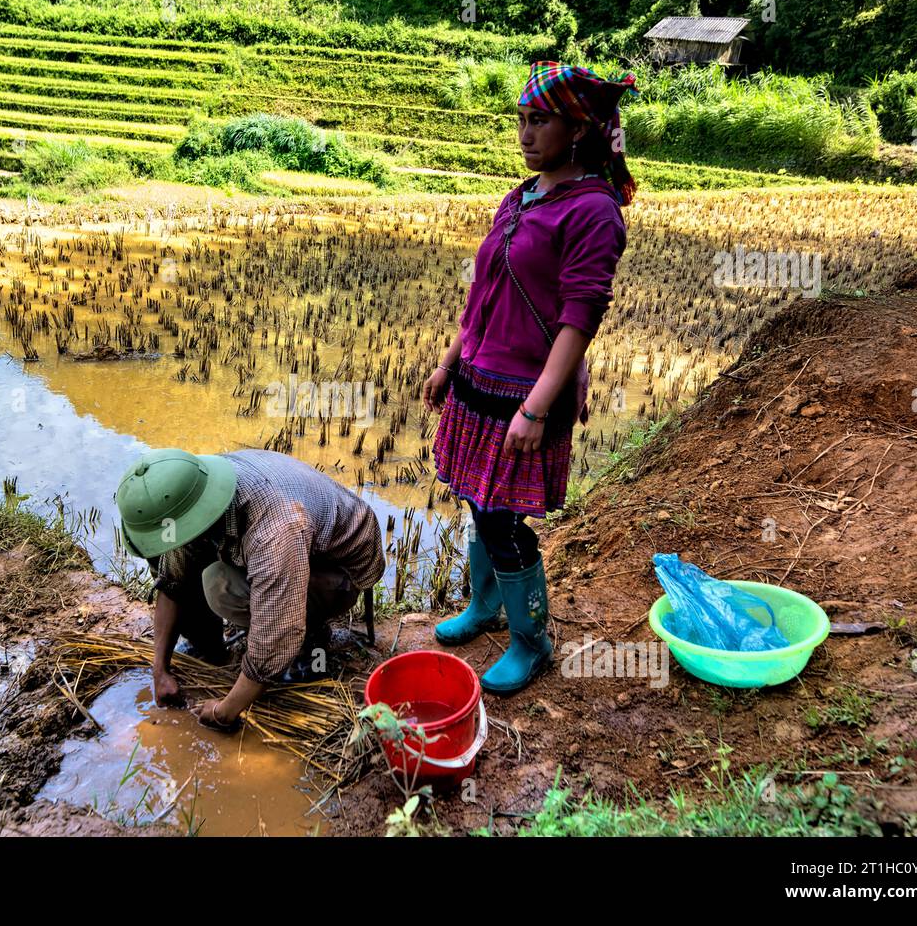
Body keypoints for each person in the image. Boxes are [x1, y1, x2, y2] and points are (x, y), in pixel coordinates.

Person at [422, 61, 636, 695]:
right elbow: (483, 295)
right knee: (478, 502)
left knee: (504, 521)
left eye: (539, 120)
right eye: (521, 119)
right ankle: (485, 607)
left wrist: (539, 408)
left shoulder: (594, 212)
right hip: (478, 382)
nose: (524, 133)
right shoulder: (520, 197)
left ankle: (531, 640)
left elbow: (580, 318)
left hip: (525, 395)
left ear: (577, 129)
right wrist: (448, 362)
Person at [115, 447, 385, 730]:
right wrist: (160, 670)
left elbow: (276, 632)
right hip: (296, 541)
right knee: (190, 565)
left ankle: (311, 637)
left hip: (338, 567)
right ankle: (212, 647)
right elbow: (173, 583)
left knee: (221, 586)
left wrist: (224, 711)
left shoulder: (275, 530)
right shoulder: (192, 498)